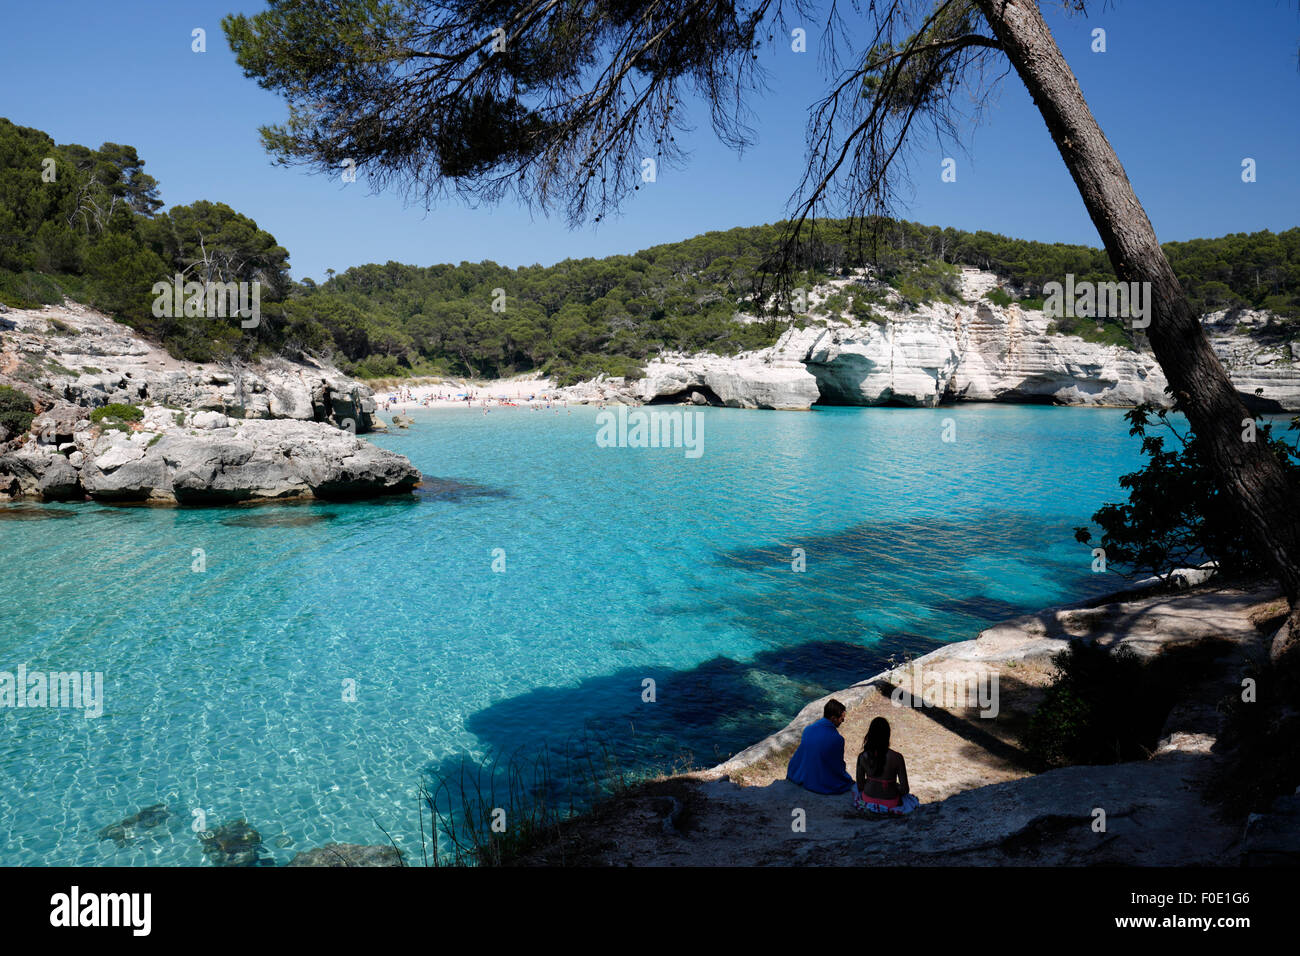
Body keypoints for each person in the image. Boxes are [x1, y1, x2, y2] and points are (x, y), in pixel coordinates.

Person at [786, 700, 855, 794]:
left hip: (799, 773)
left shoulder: (808, 729)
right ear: (833, 718)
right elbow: (837, 766)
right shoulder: (837, 739)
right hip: (818, 780)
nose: (843, 721)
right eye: (841, 719)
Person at [854, 716, 920, 814]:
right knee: (910, 799)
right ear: (888, 735)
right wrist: (893, 786)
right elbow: (905, 789)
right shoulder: (897, 757)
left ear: (870, 735)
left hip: (868, 799)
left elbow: (860, 786)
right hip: (891, 802)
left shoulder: (862, 756)